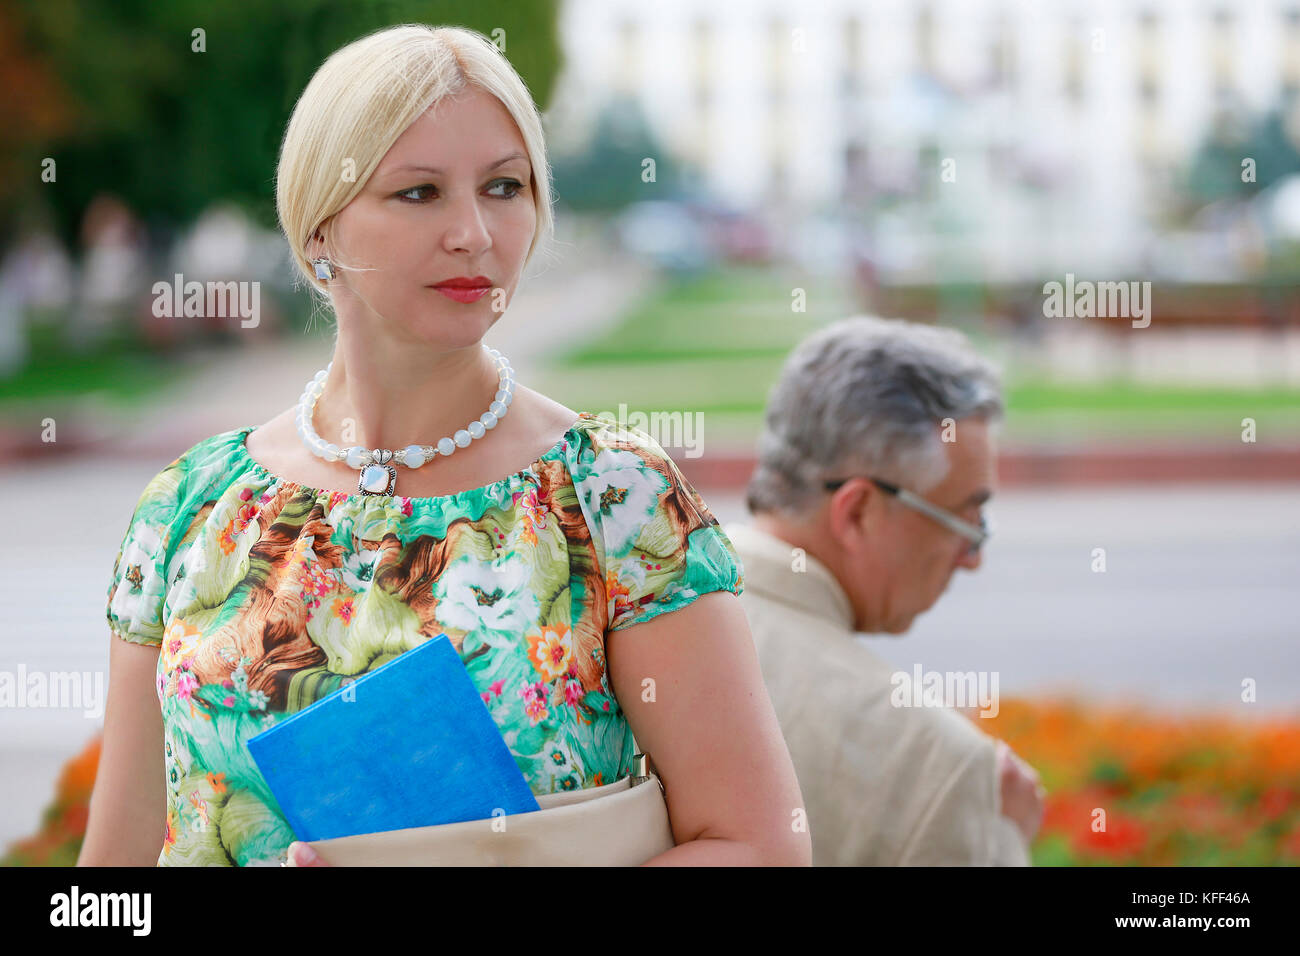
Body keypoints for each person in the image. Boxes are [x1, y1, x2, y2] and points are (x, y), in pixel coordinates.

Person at [79, 24, 809, 867]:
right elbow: (111, 879)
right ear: (318, 227)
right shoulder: (190, 505)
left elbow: (759, 847)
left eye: (505, 186)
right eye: (419, 193)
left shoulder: (616, 499)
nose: (474, 232)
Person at [723, 316, 1045, 866]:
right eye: (965, 523)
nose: (973, 557)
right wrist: (1002, 840)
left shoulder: (622, 603)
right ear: (861, 511)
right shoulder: (935, 766)